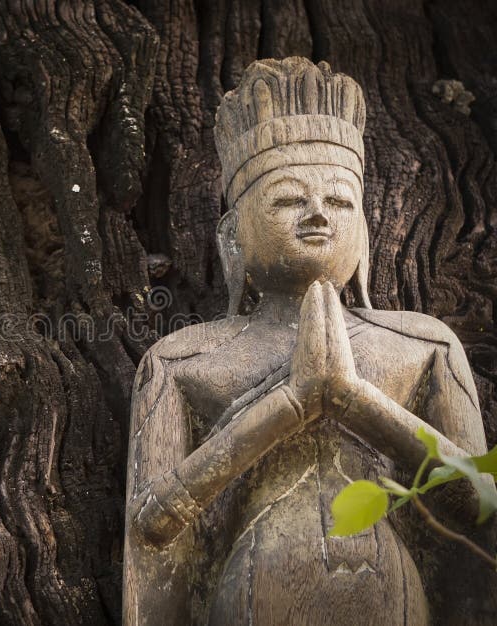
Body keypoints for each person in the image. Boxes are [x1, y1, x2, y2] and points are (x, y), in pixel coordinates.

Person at [122, 57, 491, 625]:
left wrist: (351, 398)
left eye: (340, 201)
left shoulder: (425, 346)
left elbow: (476, 503)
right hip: (254, 589)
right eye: (288, 199)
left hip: (389, 591)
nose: (318, 213)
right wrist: (291, 402)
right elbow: (151, 523)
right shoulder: (182, 362)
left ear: (364, 234)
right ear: (233, 239)